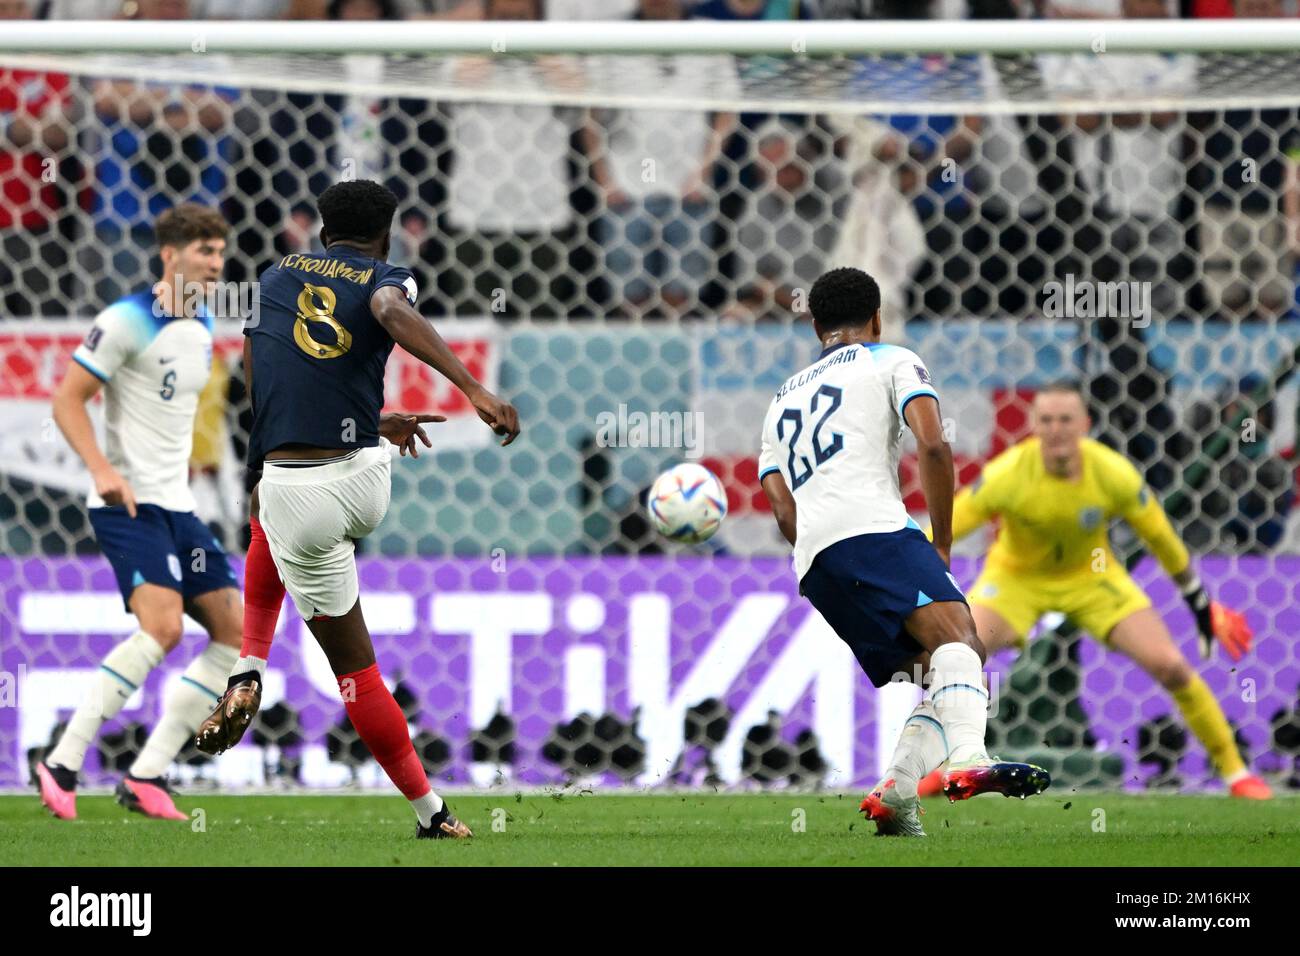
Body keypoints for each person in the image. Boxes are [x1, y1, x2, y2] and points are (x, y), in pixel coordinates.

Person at [195, 179, 519, 840]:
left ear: (320, 231)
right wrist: (468, 391)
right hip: (368, 476)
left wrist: (274, 449)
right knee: (271, 516)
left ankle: (251, 669)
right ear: (387, 234)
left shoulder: (274, 279)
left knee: (354, 671)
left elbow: (263, 376)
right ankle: (250, 667)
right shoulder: (384, 272)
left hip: (299, 493)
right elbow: (387, 308)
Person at [758, 267, 1050, 837]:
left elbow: (783, 511)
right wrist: (940, 542)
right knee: (963, 640)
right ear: (877, 318)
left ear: (816, 325)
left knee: (942, 672)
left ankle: (895, 793)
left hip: (816, 564)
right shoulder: (890, 359)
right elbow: (934, 445)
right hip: (876, 530)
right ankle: (969, 758)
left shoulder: (778, 402)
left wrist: (825, 559)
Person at [936, 384, 1272, 799]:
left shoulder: (1112, 473)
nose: (1056, 429)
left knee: (1170, 665)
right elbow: (945, 528)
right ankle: (941, 766)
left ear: (1085, 425)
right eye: (1046, 420)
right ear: (1033, 425)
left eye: (1065, 420)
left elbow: (1162, 539)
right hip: (1015, 580)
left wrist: (1201, 607)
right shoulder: (1008, 474)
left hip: (1093, 578)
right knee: (959, 655)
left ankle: (1236, 773)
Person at [37, 204, 243, 822]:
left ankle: (146, 775)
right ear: (169, 255)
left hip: (178, 506)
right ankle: (63, 762)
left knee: (235, 636)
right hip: (126, 503)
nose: (214, 263)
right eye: (203, 251)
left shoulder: (204, 323)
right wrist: (102, 471)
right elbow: (67, 400)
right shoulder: (126, 320)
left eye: (218, 252)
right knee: (164, 628)